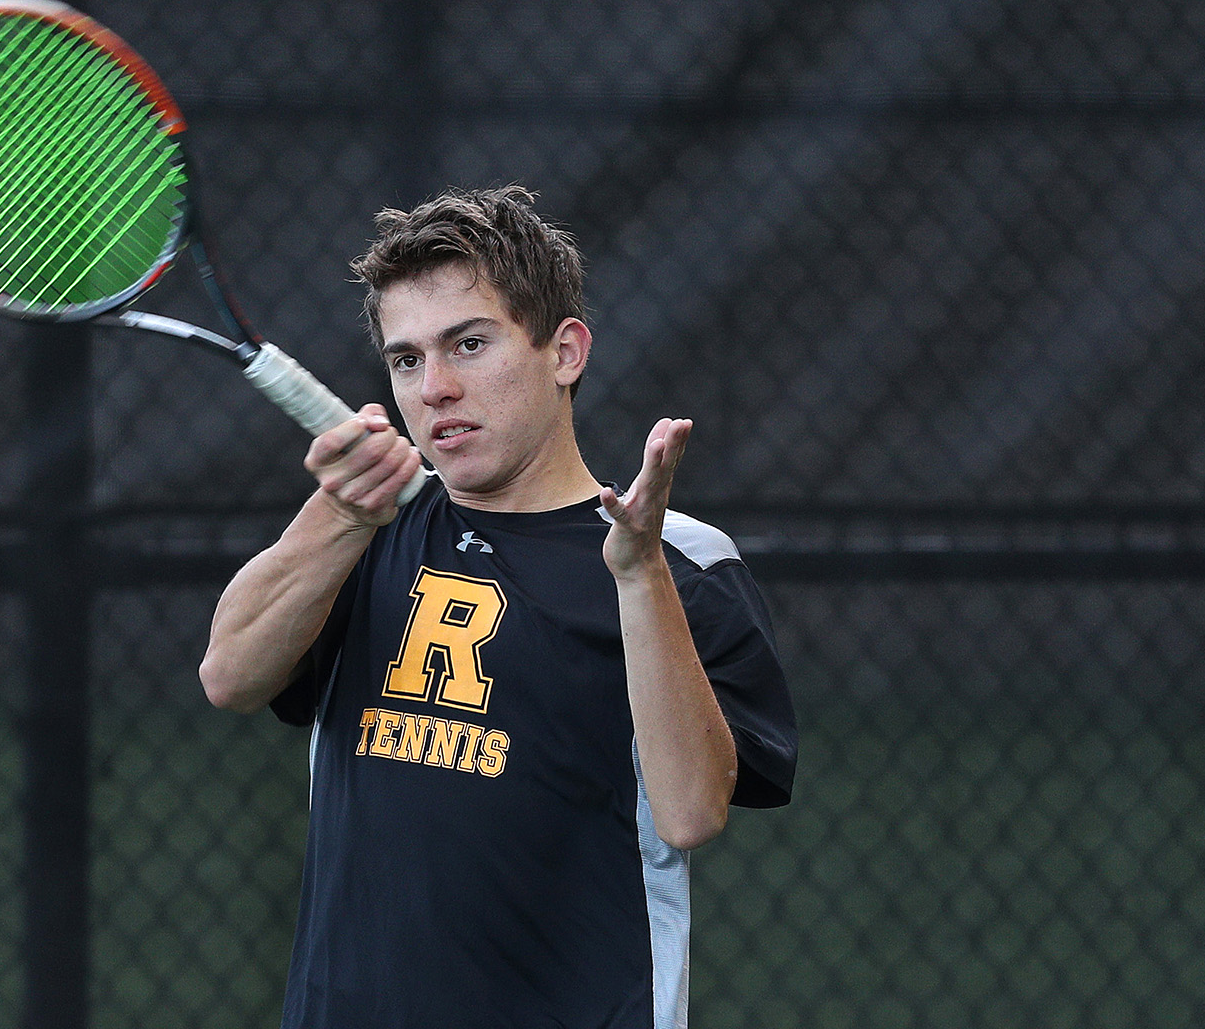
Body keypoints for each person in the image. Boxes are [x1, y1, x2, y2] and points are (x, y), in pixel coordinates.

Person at [200, 186, 797, 1029]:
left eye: (469, 345)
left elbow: (693, 811)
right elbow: (229, 675)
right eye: (407, 360)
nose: (435, 387)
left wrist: (637, 577)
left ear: (565, 352)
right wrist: (336, 515)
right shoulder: (368, 526)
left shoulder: (683, 564)